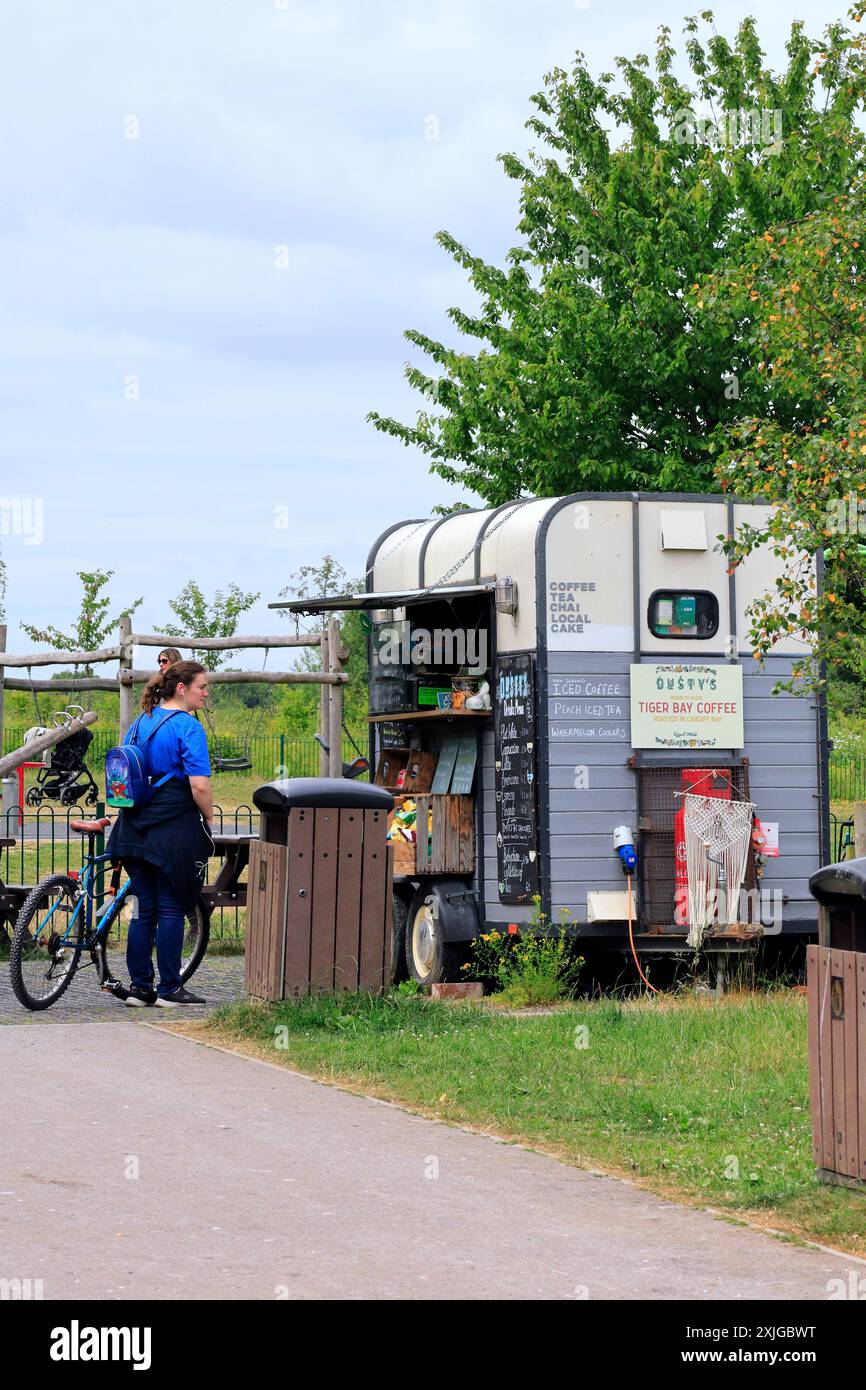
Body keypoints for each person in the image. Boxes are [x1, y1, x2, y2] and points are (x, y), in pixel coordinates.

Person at [106, 660, 214, 1008]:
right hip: (171, 825)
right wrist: (209, 819)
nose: (206, 692)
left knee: (144, 909)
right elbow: (198, 785)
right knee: (170, 908)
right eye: (202, 686)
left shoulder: (141, 722)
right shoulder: (188, 727)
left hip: (133, 825)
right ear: (181, 689)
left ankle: (140, 988)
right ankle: (169, 988)